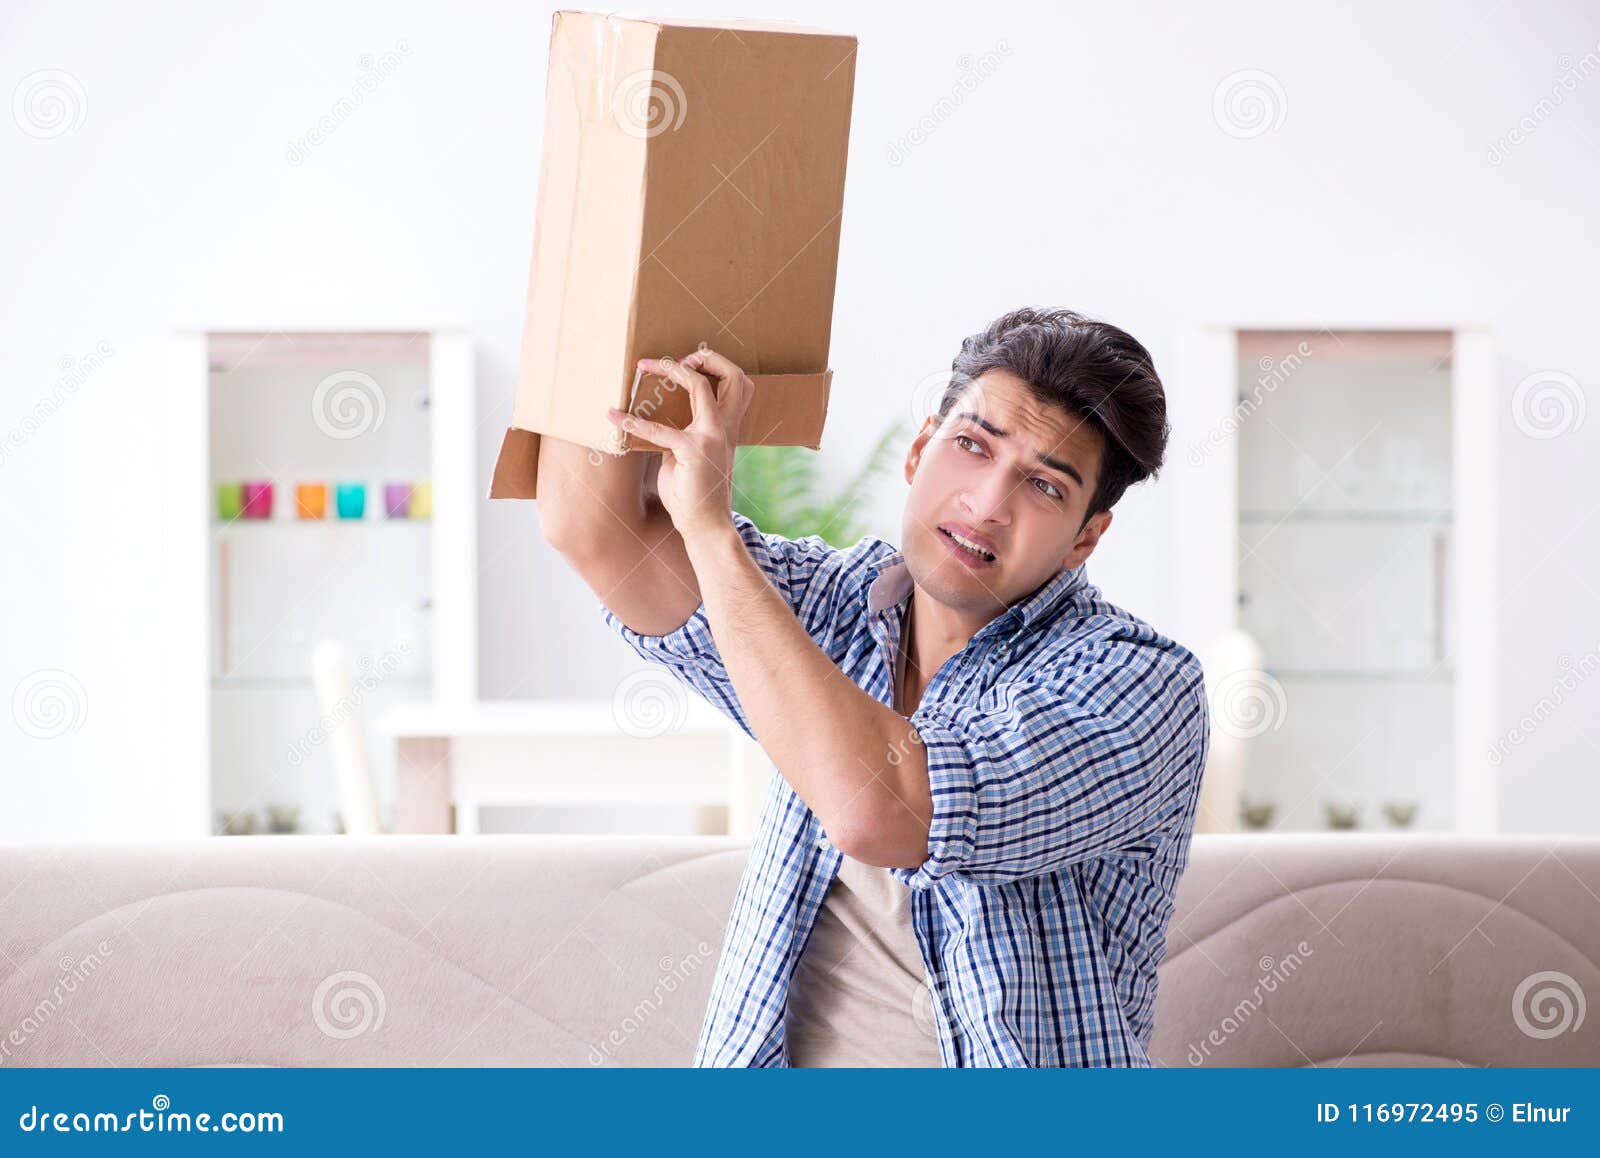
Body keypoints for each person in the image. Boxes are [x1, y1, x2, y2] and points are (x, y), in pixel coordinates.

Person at [536, 307, 1211, 1067]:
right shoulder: (838, 603)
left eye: (1044, 487)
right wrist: (608, 275)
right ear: (920, 449)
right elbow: (590, 525)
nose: (987, 504)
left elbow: (879, 810)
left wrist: (712, 531)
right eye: (971, 447)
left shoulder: (1137, 683)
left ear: (1085, 538)